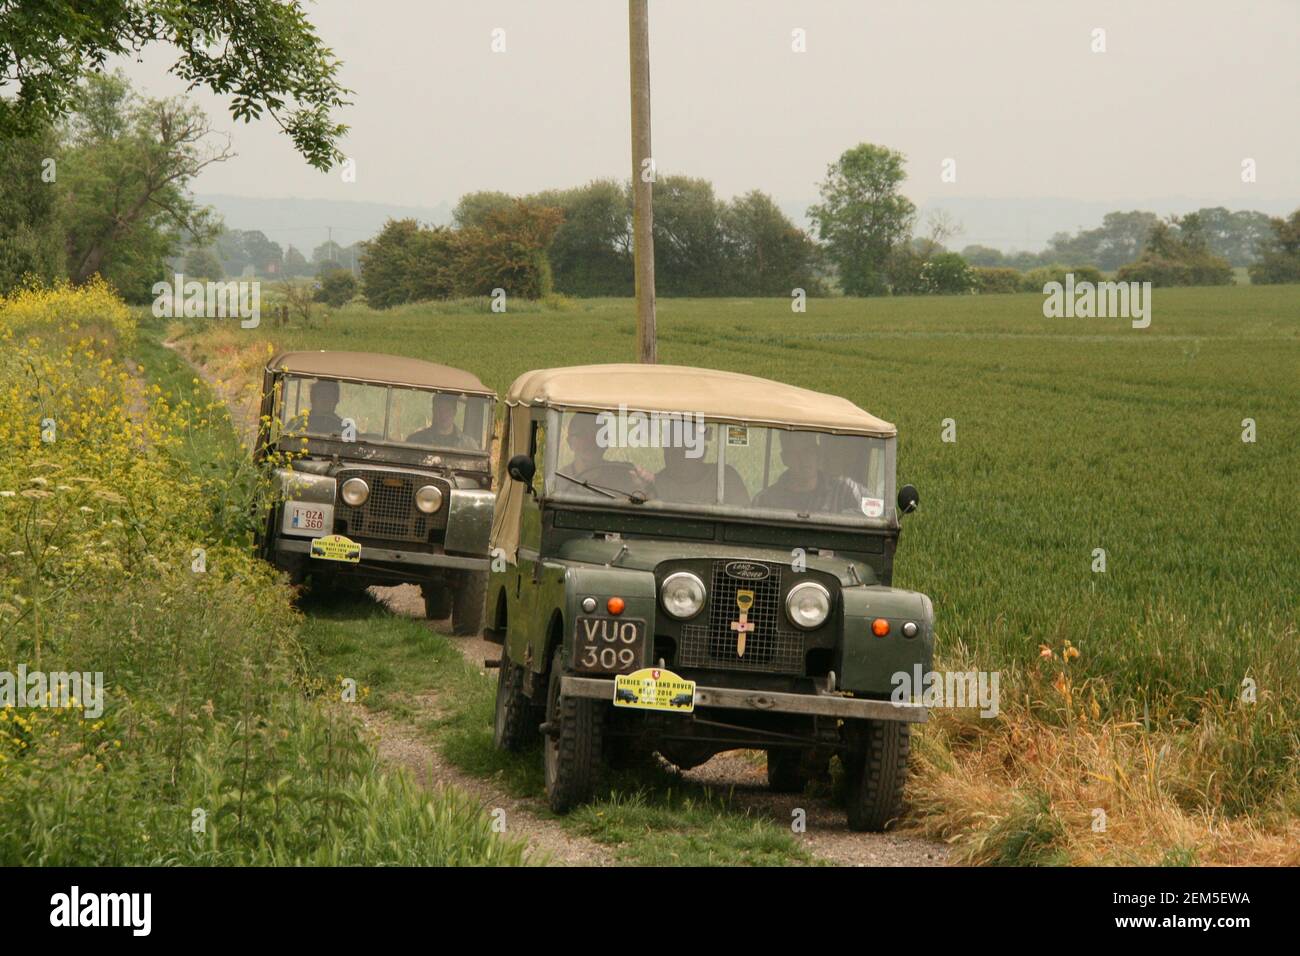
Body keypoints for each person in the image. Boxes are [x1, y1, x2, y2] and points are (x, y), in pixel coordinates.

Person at [754, 430, 868, 515]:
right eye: (795, 453)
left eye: (808, 451)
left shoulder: (846, 490)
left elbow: (879, 515)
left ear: (817, 453)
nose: (804, 459)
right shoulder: (765, 500)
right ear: (784, 459)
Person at [556, 414, 651, 498]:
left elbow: (644, 503)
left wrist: (642, 488)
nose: (590, 441)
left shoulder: (624, 475)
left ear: (606, 442)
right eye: (582, 434)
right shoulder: (559, 480)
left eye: (597, 435)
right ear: (570, 442)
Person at [653, 428, 751, 506]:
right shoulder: (656, 484)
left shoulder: (726, 478)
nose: (677, 459)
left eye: (685, 451)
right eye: (672, 452)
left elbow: (744, 523)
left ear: (703, 452)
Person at [406, 393, 476, 449]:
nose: (443, 415)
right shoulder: (416, 440)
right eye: (439, 410)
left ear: (455, 412)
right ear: (433, 411)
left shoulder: (469, 445)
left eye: (447, 410)